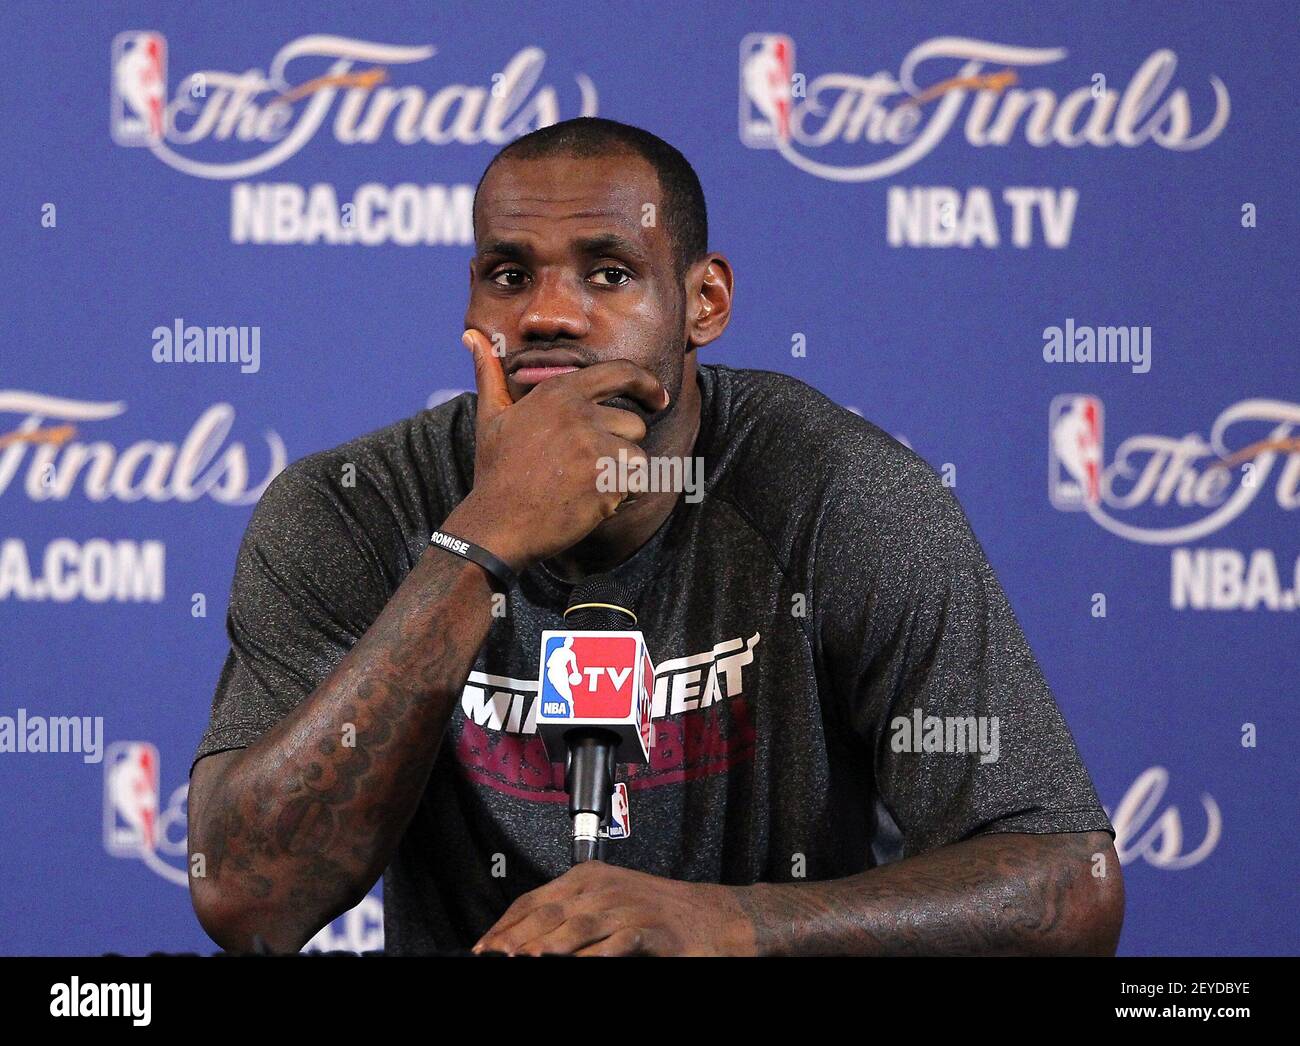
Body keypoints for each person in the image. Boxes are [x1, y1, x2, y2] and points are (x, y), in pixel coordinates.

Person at [187, 117, 1123, 956]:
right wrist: (479, 541)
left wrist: (732, 924)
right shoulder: (351, 509)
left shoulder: (841, 495)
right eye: (511, 275)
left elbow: (1065, 885)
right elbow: (246, 899)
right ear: (472, 304)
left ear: (703, 304)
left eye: (609, 272)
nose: (549, 314)